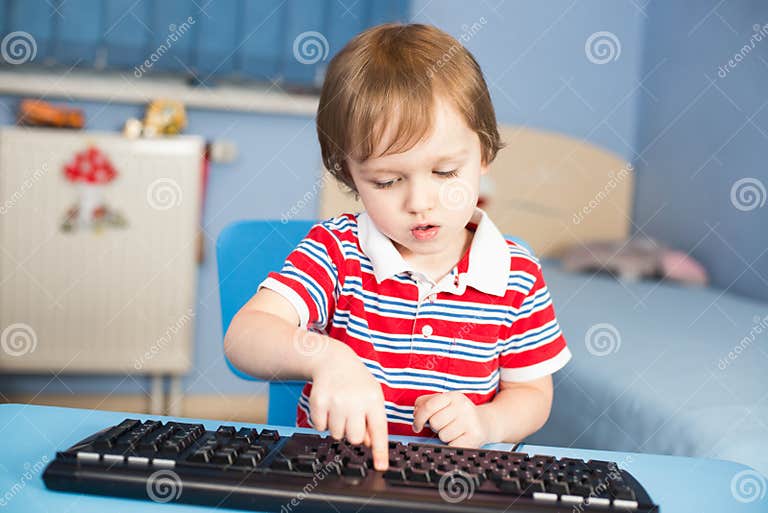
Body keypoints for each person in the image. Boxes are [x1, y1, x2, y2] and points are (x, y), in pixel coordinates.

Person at [224, 23, 572, 472]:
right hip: (332, 477)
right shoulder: (336, 251)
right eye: (387, 181)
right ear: (349, 175)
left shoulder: (517, 275)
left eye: (445, 172)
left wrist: (486, 423)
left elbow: (531, 395)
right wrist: (326, 356)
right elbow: (244, 337)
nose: (420, 203)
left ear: (484, 154)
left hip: (456, 487)